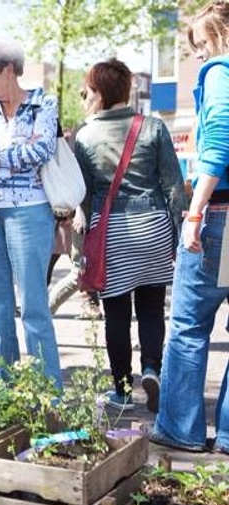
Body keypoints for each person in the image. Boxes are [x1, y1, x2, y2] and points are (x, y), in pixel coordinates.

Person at [75, 59, 186, 411]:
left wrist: (84, 244)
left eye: (88, 90)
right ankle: (152, 368)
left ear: (99, 93)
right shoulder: (153, 127)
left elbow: (85, 193)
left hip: (114, 232)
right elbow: (172, 186)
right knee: (153, 309)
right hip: (153, 226)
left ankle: (122, 390)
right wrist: (178, 234)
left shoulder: (86, 135)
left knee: (117, 314)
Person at [0, 41, 62, 390]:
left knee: (33, 304)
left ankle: (48, 393)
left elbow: (40, 152)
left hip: (29, 213)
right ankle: (6, 387)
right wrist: (10, 159)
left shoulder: (43, 104)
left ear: (8, 69)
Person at [152, 2, 229, 454]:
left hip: (218, 214)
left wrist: (195, 212)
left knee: (188, 325)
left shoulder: (221, 71)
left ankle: (181, 428)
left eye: (201, 45)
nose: (199, 56)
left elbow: (220, 136)